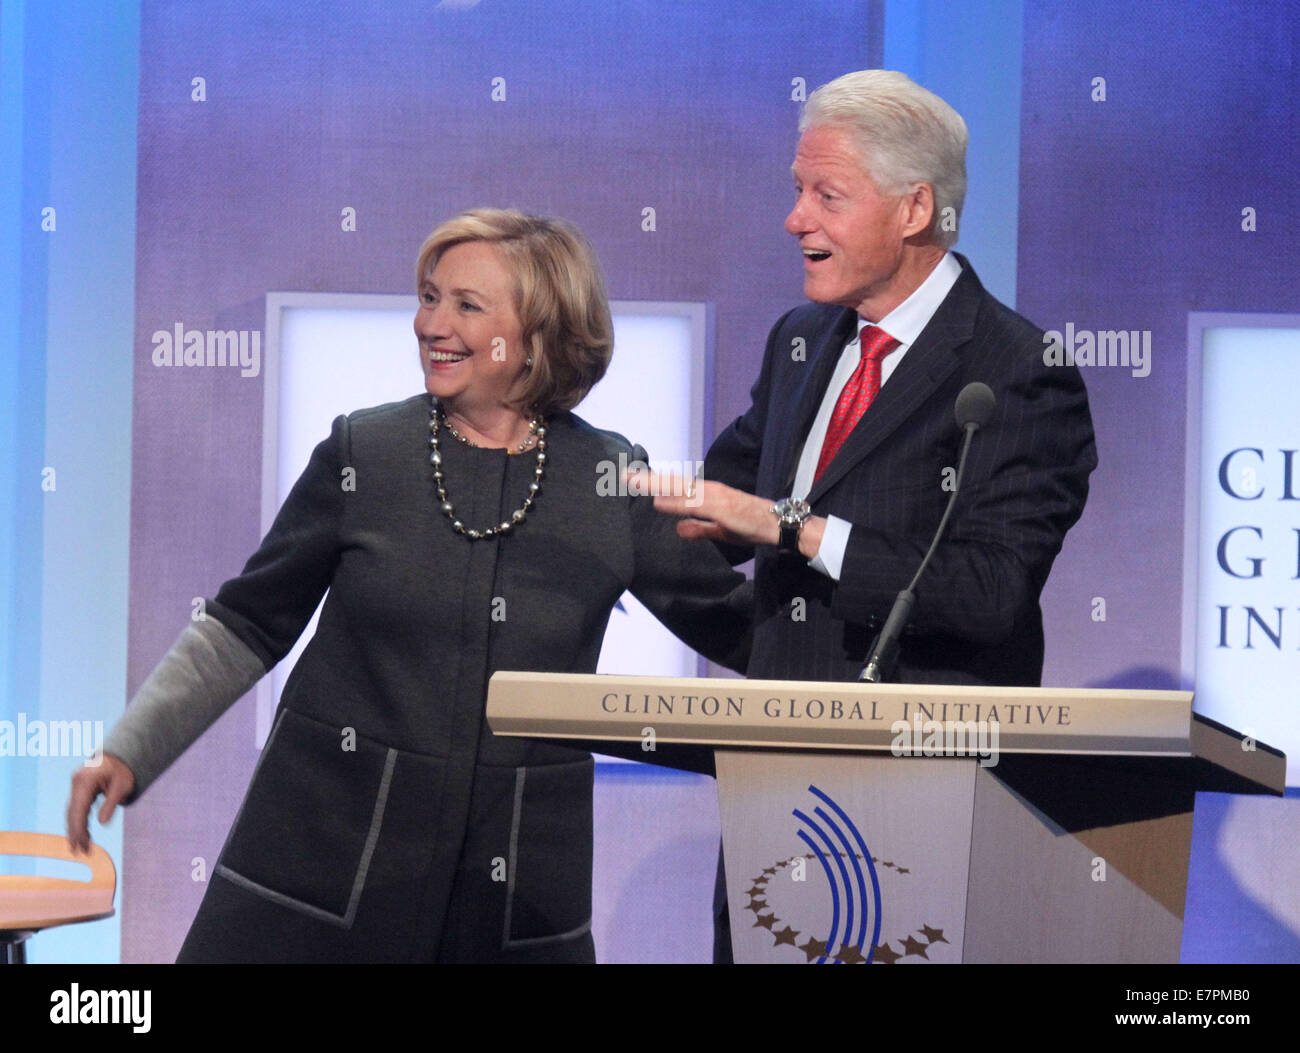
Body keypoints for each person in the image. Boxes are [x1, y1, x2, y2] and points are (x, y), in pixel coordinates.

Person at [67, 208, 751, 963]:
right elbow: (247, 623)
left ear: (539, 333)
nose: (432, 324)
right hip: (319, 868)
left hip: (512, 891)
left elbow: (746, 631)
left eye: (466, 305)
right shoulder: (368, 452)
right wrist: (132, 748)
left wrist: (836, 596)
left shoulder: (610, 481)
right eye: (429, 297)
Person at [647, 70, 1097, 958]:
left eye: (826, 194)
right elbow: (709, 507)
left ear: (914, 208)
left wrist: (796, 528)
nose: (794, 219)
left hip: (922, 803)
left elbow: (984, 593)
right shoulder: (802, 340)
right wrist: (570, 476)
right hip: (774, 792)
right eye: (796, 191)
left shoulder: (1017, 369)